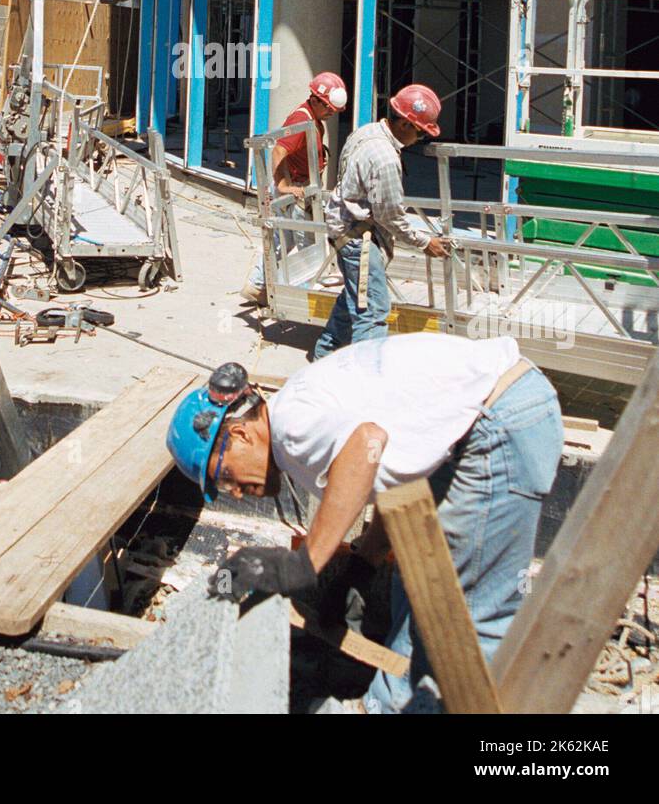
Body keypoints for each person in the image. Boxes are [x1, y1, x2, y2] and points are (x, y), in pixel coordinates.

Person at [167, 337, 563, 714]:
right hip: (487, 418)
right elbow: (397, 473)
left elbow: (366, 444)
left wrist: (304, 565)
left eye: (223, 477)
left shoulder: (290, 428)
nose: (234, 492)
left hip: (497, 424)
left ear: (239, 433)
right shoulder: (299, 408)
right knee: (418, 584)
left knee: (462, 616)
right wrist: (365, 560)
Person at [313, 84, 449, 361]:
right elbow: (390, 215)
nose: (420, 138)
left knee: (355, 298)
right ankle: (367, 377)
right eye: (420, 131)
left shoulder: (367, 131)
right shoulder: (385, 158)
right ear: (403, 124)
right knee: (373, 310)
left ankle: (324, 356)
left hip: (346, 229)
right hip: (359, 238)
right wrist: (424, 242)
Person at [240, 72, 348, 306]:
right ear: (316, 99)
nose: (331, 113)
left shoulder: (311, 119)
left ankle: (256, 285)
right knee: (306, 244)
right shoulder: (302, 120)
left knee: (283, 241)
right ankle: (304, 297)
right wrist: (283, 185)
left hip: (297, 189)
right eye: (328, 108)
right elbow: (279, 150)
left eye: (334, 110)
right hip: (296, 191)